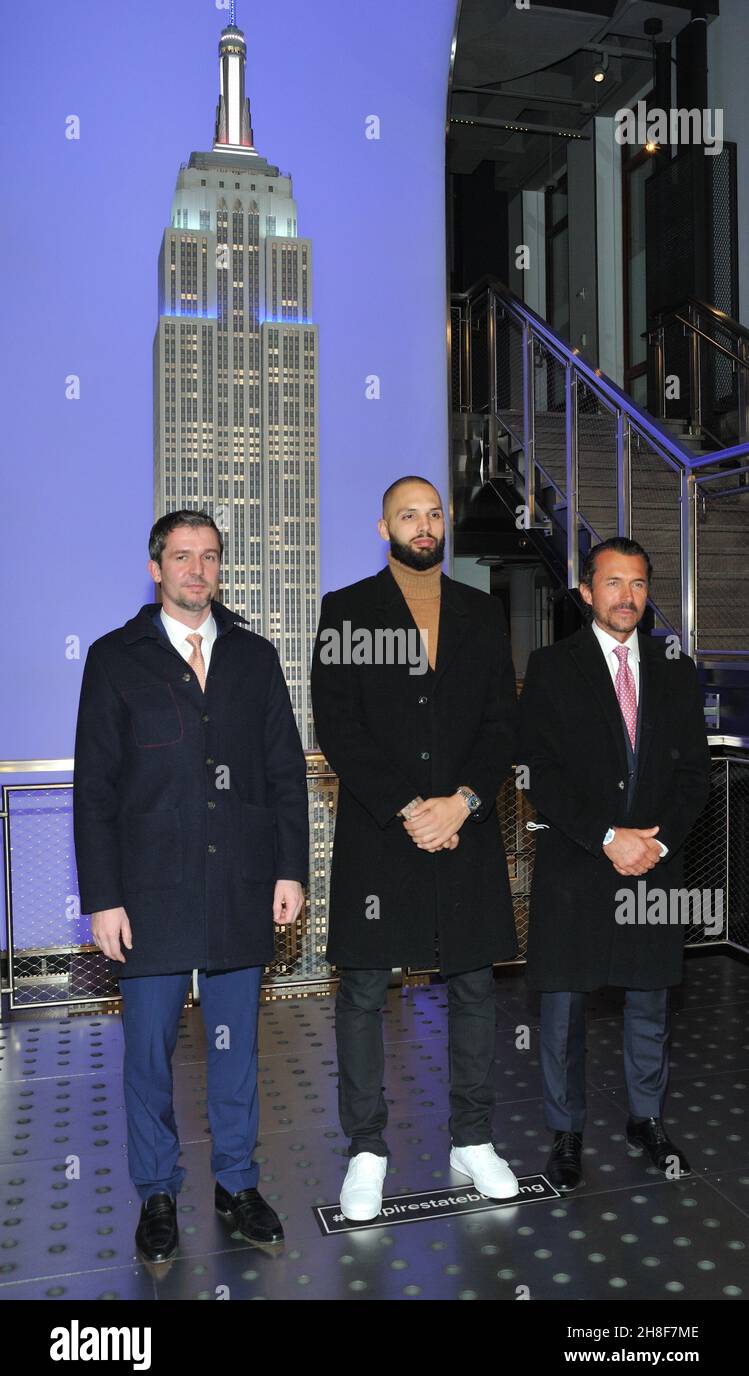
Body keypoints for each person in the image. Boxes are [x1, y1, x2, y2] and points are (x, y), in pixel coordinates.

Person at [73, 510, 308, 1261]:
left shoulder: (254, 657)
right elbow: (95, 792)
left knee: (236, 1052)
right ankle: (158, 1195)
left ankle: (237, 1184)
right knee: (148, 1054)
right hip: (148, 900)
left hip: (239, 888)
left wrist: (290, 869)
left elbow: (283, 775)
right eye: (181, 557)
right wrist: (102, 898)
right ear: (156, 568)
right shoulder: (115, 659)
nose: (196, 570)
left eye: (208, 557)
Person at [310, 476, 519, 1221]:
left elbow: (503, 723)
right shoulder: (346, 611)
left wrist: (460, 801)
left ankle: (471, 1140)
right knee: (364, 994)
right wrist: (409, 807)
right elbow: (338, 727)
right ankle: (366, 1150)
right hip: (379, 833)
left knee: (472, 987)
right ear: (382, 526)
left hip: (463, 827)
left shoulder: (480, 612)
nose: (424, 525)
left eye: (434, 514)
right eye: (409, 514)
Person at [519, 537, 711, 1192]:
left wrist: (654, 844)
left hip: (654, 864)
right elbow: (537, 775)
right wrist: (606, 835)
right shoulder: (549, 668)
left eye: (636, 584)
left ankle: (646, 1120)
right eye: (612, 583)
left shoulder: (676, 668)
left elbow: (694, 775)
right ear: (585, 592)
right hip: (577, 862)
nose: (625, 596)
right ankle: (565, 1132)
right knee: (563, 1008)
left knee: (649, 1001)